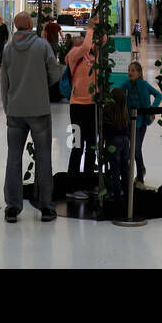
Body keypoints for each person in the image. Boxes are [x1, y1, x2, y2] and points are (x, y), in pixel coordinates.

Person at [0, 11, 61, 223]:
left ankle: (13, 207)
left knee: (13, 158)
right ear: (30, 24)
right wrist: (42, 85)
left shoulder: (8, 49)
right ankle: (46, 207)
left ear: (16, 27)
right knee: (44, 159)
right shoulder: (42, 46)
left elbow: (4, 82)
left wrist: (8, 107)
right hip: (39, 110)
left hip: (16, 111)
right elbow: (54, 73)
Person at [66, 20, 98, 200]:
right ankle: (72, 186)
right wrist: (91, 27)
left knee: (92, 146)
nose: (80, 38)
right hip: (77, 106)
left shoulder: (92, 56)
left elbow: (100, 42)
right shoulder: (73, 55)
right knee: (77, 146)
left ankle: (88, 183)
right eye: (77, 38)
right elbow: (86, 46)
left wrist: (98, 25)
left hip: (92, 105)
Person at [124, 61, 162, 188]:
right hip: (129, 122)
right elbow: (117, 92)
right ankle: (141, 171)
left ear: (139, 73)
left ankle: (140, 178)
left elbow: (158, 95)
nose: (130, 72)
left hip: (141, 123)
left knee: (135, 150)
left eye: (133, 70)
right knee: (135, 150)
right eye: (129, 70)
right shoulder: (126, 85)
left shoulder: (144, 85)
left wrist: (152, 109)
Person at [102, 88, 131, 202]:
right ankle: (128, 194)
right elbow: (128, 130)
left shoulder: (106, 112)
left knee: (115, 170)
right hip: (125, 142)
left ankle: (117, 196)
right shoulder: (124, 112)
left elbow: (106, 130)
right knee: (125, 170)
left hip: (113, 142)